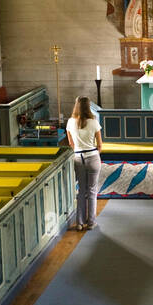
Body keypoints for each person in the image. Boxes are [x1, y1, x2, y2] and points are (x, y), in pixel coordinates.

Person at [66, 96, 103, 231]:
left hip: (78, 157)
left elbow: (71, 143)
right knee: (92, 191)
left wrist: (78, 151)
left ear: (76, 106)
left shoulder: (70, 122)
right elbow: (100, 145)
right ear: (88, 107)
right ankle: (91, 222)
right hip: (92, 156)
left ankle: (80, 223)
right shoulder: (93, 122)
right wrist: (95, 155)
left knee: (81, 190)